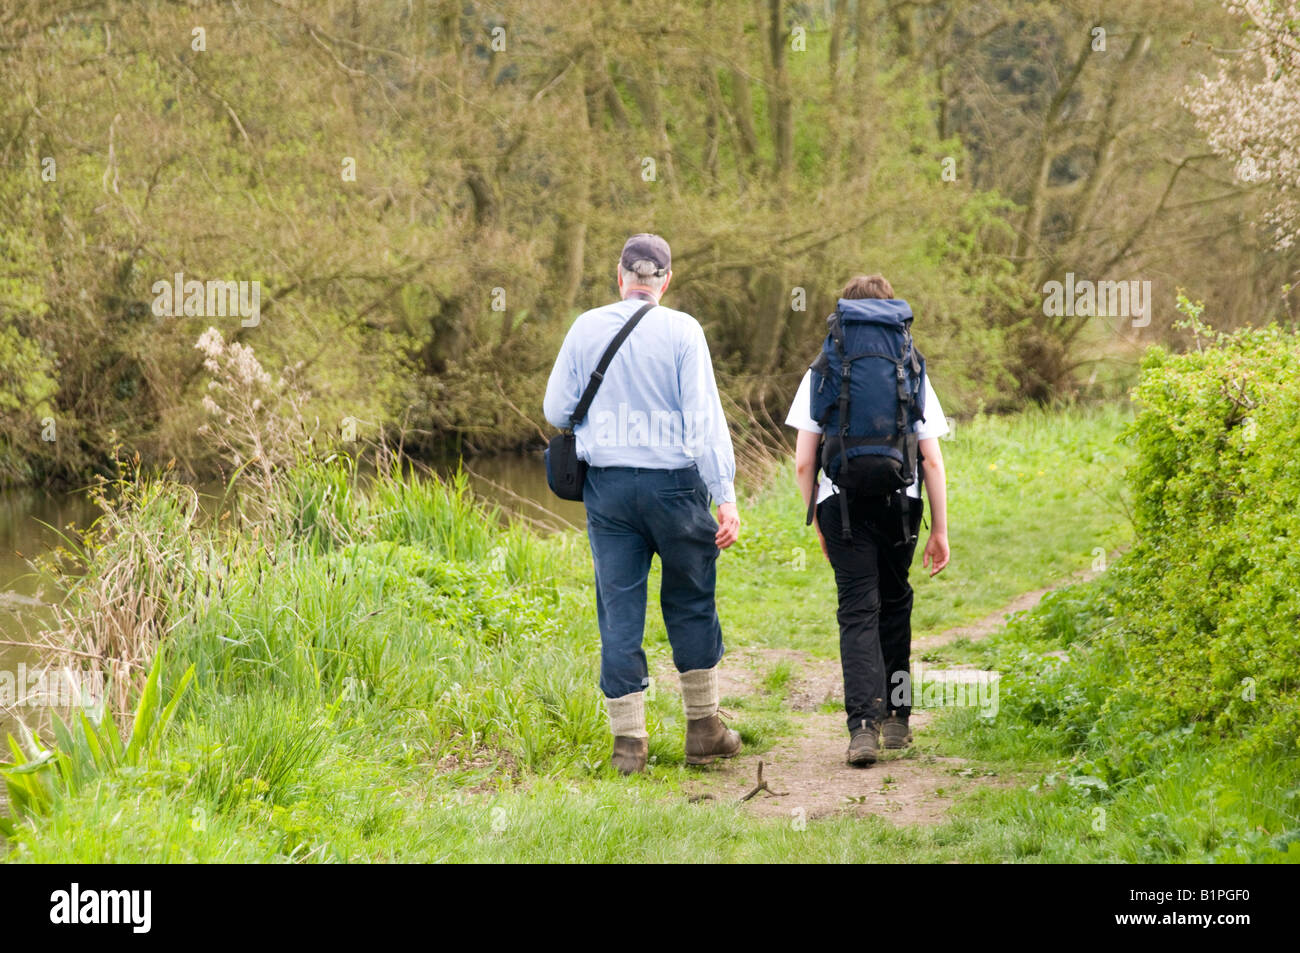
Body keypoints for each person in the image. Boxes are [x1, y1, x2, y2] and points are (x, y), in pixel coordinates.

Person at [543, 233, 743, 775]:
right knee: (692, 597)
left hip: (608, 491)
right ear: (666, 280)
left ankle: (629, 745)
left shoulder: (586, 327)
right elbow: (702, 420)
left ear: (620, 275)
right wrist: (724, 496)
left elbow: (557, 406)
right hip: (676, 488)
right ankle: (703, 729)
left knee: (619, 608)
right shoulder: (683, 330)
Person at [785, 274, 951, 766]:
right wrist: (939, 530)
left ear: (844, 317)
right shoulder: (910, 363)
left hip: (842, 504)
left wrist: (816, 515)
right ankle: (898, 719)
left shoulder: (824, 366)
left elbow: (802, 462)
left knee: (858, 610)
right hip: (901, 503)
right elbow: (932, 459)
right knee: (895, 602)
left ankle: (862, 728)